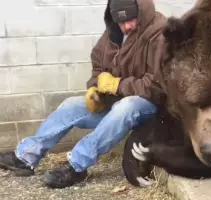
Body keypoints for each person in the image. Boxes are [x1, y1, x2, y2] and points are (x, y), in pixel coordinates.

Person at [0, 0, 167, 189]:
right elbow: (98, 66)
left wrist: (116, 85)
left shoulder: (160, 33)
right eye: (121, 21)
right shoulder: (114, 32)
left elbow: (158, 85)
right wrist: (94, 89)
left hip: (150, 105)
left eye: (131, 20)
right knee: (71, 105)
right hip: (118, 100)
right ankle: (26, 156)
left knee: (126, 106)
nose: (126, 26)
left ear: (142, 13)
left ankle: (76, 166)